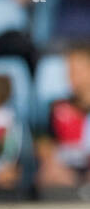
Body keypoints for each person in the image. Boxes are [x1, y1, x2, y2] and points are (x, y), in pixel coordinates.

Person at [36, 41, 90, 197]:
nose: (71, 75)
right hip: (66, 167)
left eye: (77, 70)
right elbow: (45, 142)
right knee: (47, 175)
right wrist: (52, 161)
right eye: (69, 69)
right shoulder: (59, 108)